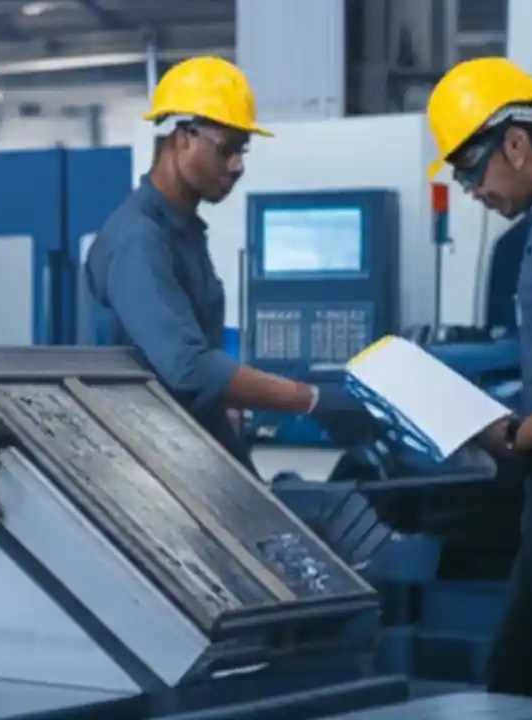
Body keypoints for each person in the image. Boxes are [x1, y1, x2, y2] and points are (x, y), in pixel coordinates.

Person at [85, 56, 376, 473]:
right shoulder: (138, 240)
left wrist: (233, 400)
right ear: (183, 139)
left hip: (187, 441)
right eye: (227, 148)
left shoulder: (182, 232)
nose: (238, 165)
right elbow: (189, 368)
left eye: (243, 150)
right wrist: (310, 399)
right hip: (149, 462)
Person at [427, 56, 532, 698]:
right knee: (519, 676)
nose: (471, 191)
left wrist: (516, 435)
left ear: (514, 142)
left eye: (469, 170)